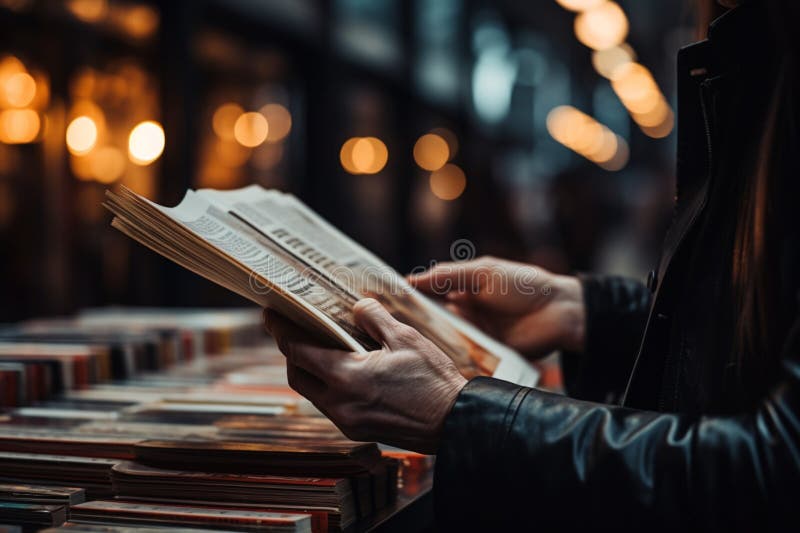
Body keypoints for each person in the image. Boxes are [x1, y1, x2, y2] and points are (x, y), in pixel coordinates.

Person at [264, 0, 800, 530]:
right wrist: (584, 309)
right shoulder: (762, 56)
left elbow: (775, 476)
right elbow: (760, 334)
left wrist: (463, 416)